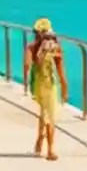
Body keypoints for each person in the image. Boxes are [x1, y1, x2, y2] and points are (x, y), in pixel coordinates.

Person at [26, 17, 67, 161]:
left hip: (37, 85)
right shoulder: (54, 48)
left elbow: (26, 65)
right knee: (51, 116)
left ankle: (40, 138)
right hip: (50, 85)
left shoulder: (31, 47)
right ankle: (50, 150)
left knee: (44, 114)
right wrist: (65, 87)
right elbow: (60, 70)